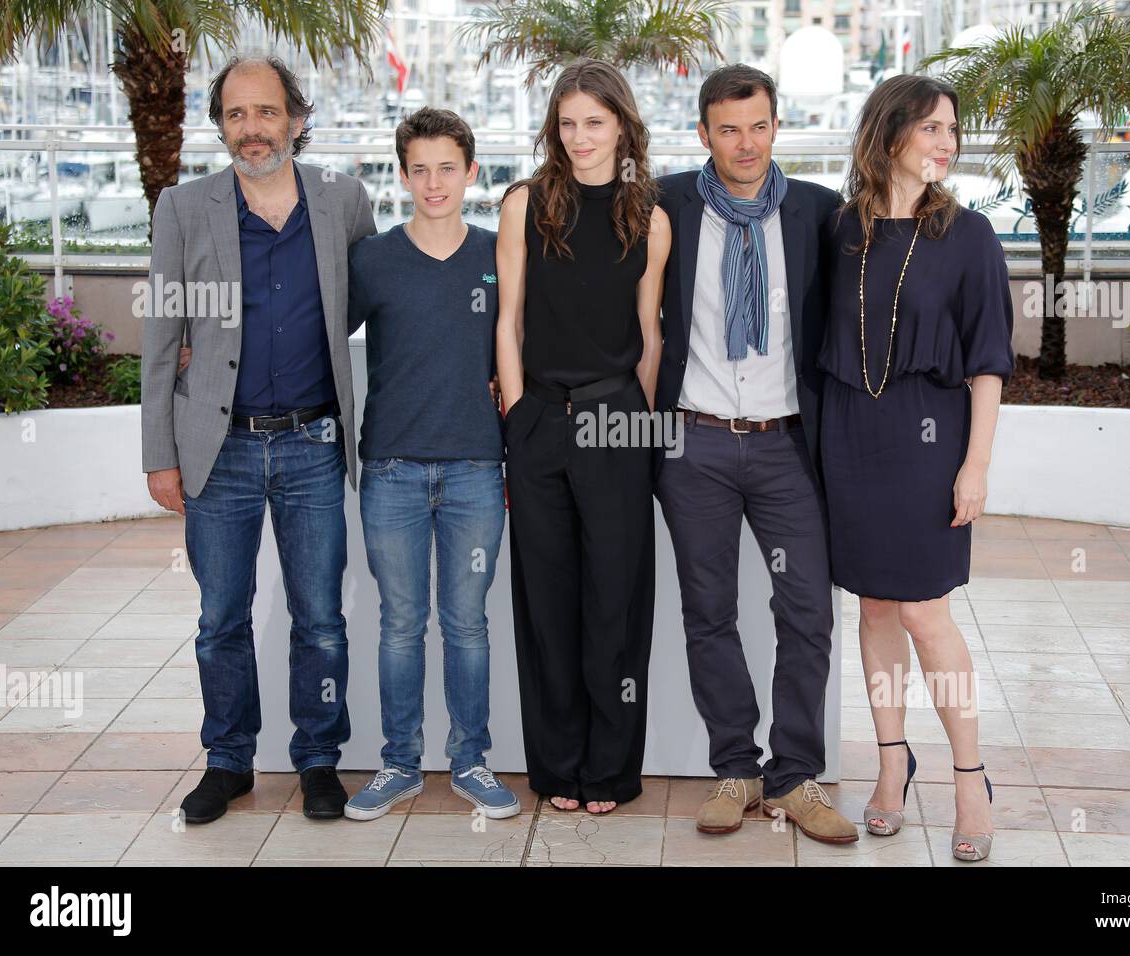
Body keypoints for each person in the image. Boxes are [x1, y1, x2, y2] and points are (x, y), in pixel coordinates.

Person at [141, 54, 375, 824]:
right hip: (220, 449)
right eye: (236, 115)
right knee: (220, 620)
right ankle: (228, 760)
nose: (252, 129)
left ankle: (317, 761)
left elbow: (360, 303)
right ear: (221, 126)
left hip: (314, 443)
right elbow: (161, 336)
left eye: (267, 112)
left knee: (321, 618)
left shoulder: (344, 201)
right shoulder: (182, 206)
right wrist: (160, 455)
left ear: (297, 120)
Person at [652, 64, 854, 844]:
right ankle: (734, 767)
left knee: (806, 614)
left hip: (787, 447)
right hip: (694, 442)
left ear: (777, 127)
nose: (745, 143)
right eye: (728, 128)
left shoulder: (817, 212)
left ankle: (796, 776)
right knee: (709, 613)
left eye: (758, 125)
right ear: (703, 133)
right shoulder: (667, 201)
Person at [818, 74, 1015, 861]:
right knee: (872, 610)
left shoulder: (971, 235)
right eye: (931, 127)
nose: (946, 142)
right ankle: (892, 764)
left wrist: (976, 467)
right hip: (850, 435)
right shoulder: (839, 231)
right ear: (889, 132)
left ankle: (971, 777)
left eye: (952, 131)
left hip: (931, 441)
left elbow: (991, 364)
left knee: (926, 613)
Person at [495, 58, 670, 815]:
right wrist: (516, 417)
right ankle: (557, 768)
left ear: (623, 126)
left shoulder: (649, 217)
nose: (580, 137)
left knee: (615, 601)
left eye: (594, 122)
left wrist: (640, 427)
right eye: (567, 123)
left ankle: (609, 771)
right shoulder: (524, 205)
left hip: (617, 420)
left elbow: (650, 337)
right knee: (546, 601)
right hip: (538, 419)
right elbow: (509, 319)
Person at [343, 108, 519, 821]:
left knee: (468, 623)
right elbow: (317, 337)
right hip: (392, 470)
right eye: (419, 168)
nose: (434, 182)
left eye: (448, 167)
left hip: (478, 466)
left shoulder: (497, 255)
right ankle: (399, 764)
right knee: (398, 624)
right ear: (402, 175)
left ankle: (471, 759)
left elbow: (525, 346)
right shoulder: (374, 260)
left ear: (472, 172)